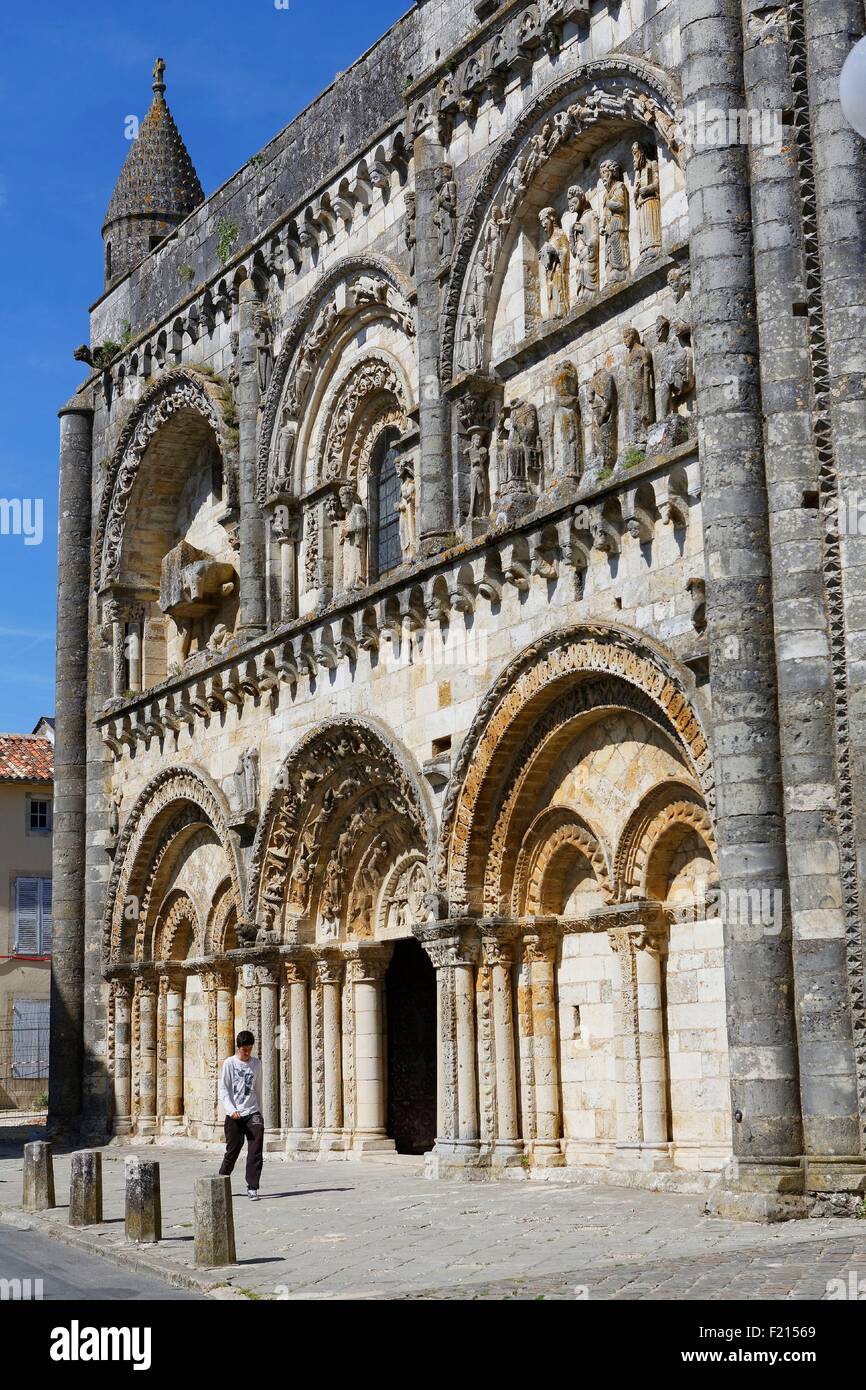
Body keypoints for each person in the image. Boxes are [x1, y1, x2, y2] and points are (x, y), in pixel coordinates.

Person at [218, 1031, 264, 1200]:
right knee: (233, 1150)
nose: (247, 1053)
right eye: (245, 1050)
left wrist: (260, 1111)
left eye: (250, 1049)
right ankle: (221, 1180)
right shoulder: (229, 1063)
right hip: (235, 1114)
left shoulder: (256, 1064)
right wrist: (231, 1110)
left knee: (256, 1149)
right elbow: (224, 1089)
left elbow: (258, 1088)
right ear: (238, 1048)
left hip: (252, 1112)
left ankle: (252, 1187)